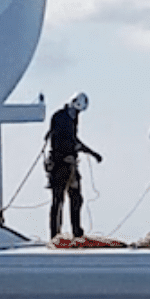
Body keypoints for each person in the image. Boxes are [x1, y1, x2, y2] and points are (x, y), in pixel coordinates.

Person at [43, 94, 101, 239]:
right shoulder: (60, 117)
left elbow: (74, 140)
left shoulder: (72, 117)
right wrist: (76, 149)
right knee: (58, 200)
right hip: (59, 164)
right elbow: (60, 141)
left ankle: (77, 232)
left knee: (76, 198)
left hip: (70, 165)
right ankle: (55, 235)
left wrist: (92, 153)